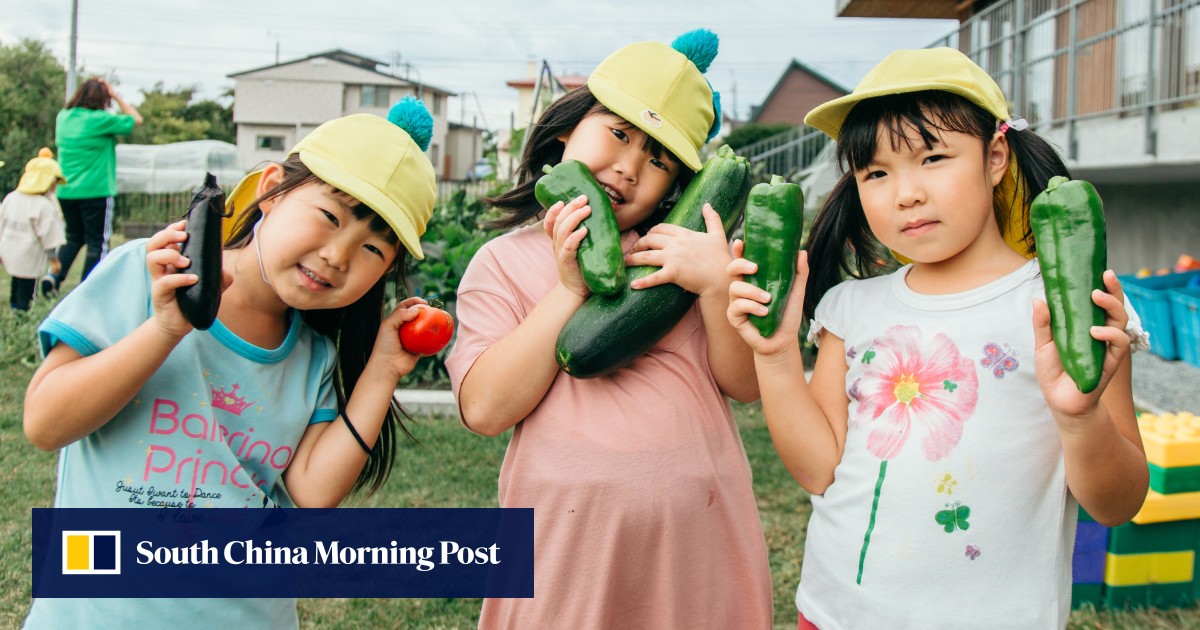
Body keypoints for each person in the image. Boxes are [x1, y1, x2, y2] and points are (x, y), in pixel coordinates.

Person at [725, 48, 1150, 629]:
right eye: (876, 173)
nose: (906, 193)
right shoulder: (850, 308)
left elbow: (1118, 504)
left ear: (995, 156)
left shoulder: (1067, 306)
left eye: (932, 158)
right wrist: (775, 356)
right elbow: (818, 471)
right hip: (836, 614)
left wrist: (1081, 420)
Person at [22, 97, 439, 627]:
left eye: (374, 250)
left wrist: (382, 370)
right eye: (330, 216)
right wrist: (165, 330)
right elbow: (45, 423)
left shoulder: (313, 357)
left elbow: (313, 493)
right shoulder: (147, 275)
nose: (338, 256)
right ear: (272, 191)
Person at [446, 29, 773, 628]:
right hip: (563, 549)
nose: (629, 167)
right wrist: (570, 291)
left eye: (660, 159)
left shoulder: (689, 258)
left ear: (679, 186)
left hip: (696, 544)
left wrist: (715, 285)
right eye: (619, 133)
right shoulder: (502, 262)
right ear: (566, 130)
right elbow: (486, 410)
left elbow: (744, 384)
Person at [42, 77, 142, 296]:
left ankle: (53, 276)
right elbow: (136, 119)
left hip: (66, 190)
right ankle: (89, 290)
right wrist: (116, 95)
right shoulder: (101, 119)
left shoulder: (63, 116)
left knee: (74, 237)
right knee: (98, 242)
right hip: (96, 190)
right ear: (103, 99)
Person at [0, 148, 66, 310]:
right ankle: (23, 315)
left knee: (16, 286)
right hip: (29, 257)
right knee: (27, 292)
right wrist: (53, 259)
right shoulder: (43, 206)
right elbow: (49, 236)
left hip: (10, 251)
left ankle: (15, 309)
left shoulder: (12, 197)